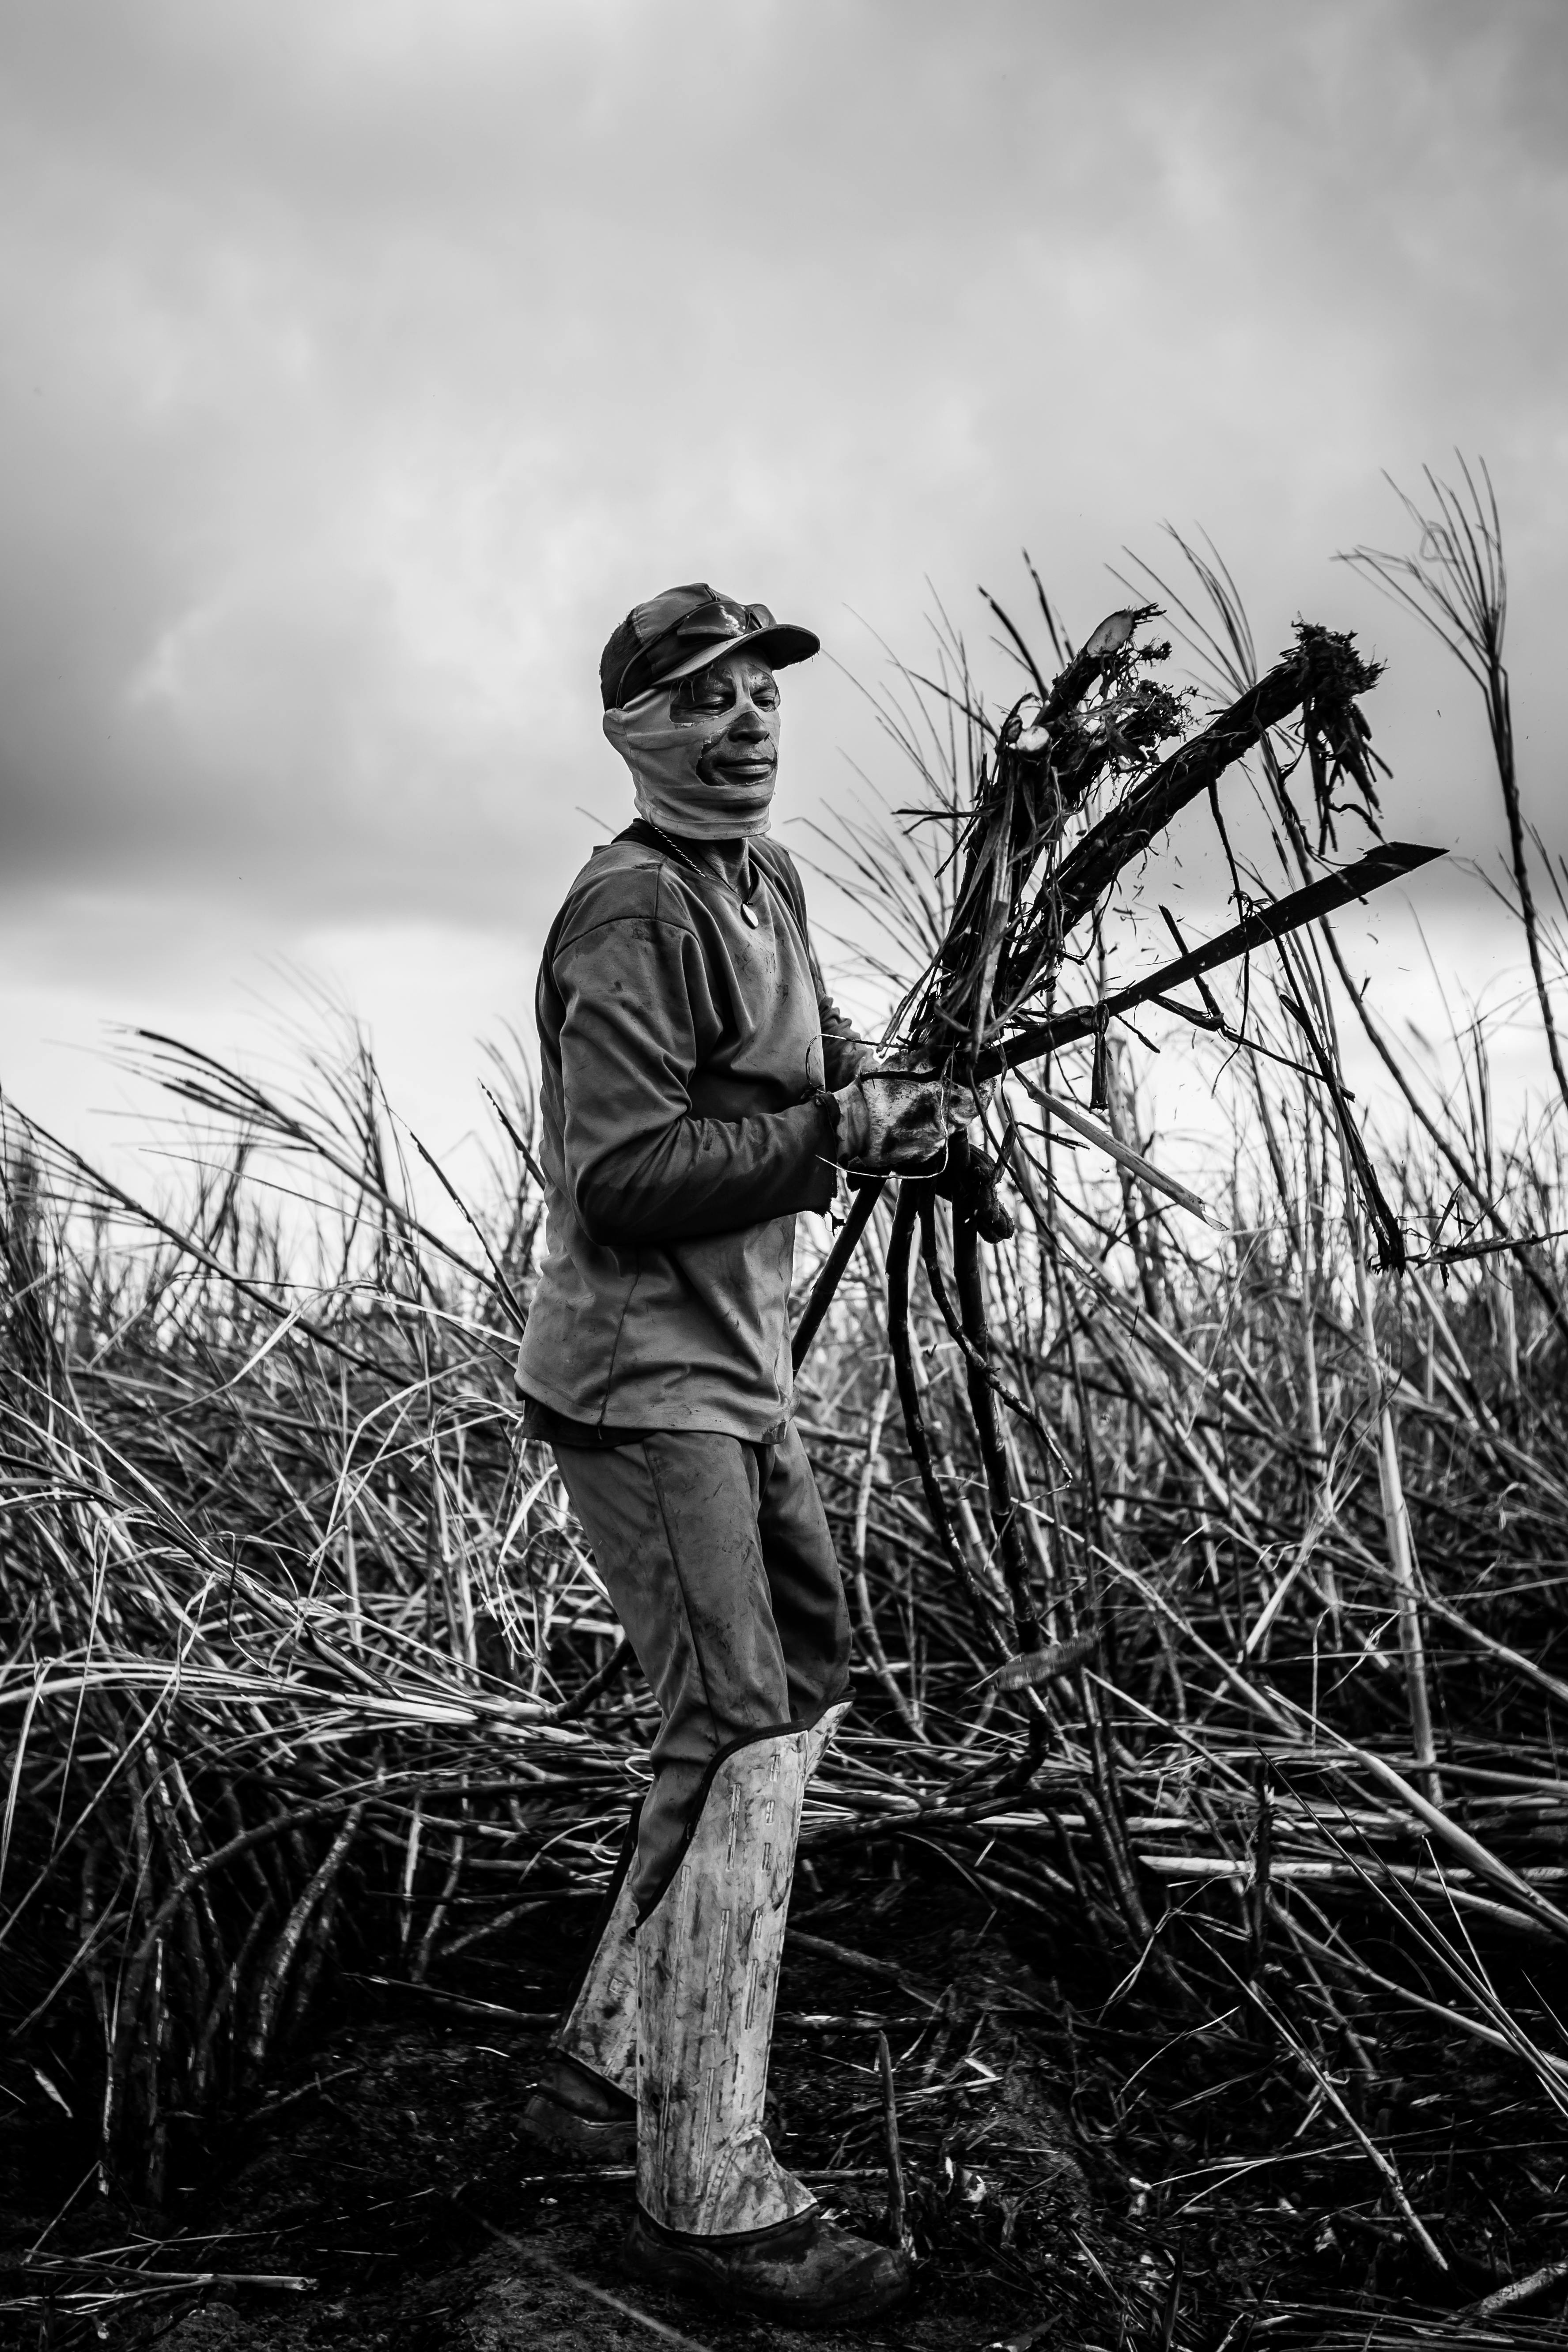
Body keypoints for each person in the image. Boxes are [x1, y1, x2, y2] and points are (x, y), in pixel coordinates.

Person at [514, 584, 974, 2324]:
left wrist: (905, 1124)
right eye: (699, 700)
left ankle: (603, 2051)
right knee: (741, 1715)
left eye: (761, 693)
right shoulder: (626, 909)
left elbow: (820, 1061)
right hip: (641, 1376)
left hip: (740, 1360)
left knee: (807, 1680)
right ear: (634, 731)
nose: (746, 723)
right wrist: (831, 1136)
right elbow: (618, 1178)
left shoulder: (762, 881)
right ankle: (707, 2188)